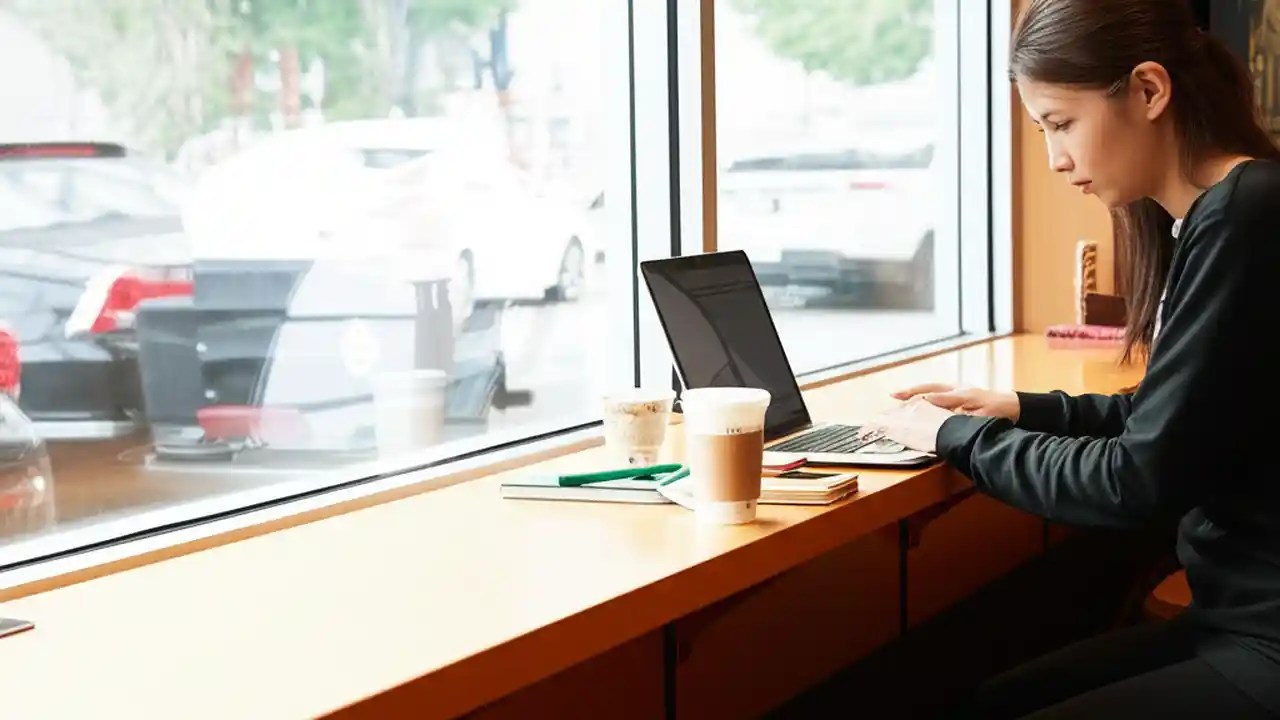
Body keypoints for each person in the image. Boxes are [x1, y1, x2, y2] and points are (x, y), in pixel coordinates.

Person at [866, 0, 1280, 716]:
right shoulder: (1223, 211)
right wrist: (1025, 408)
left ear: (1149, 90)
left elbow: (1135, 483)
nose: (1056, 159)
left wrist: (954, 438)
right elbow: (1177, 416)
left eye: (1061, 124)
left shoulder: (1246, 216)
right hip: (1233, 621)